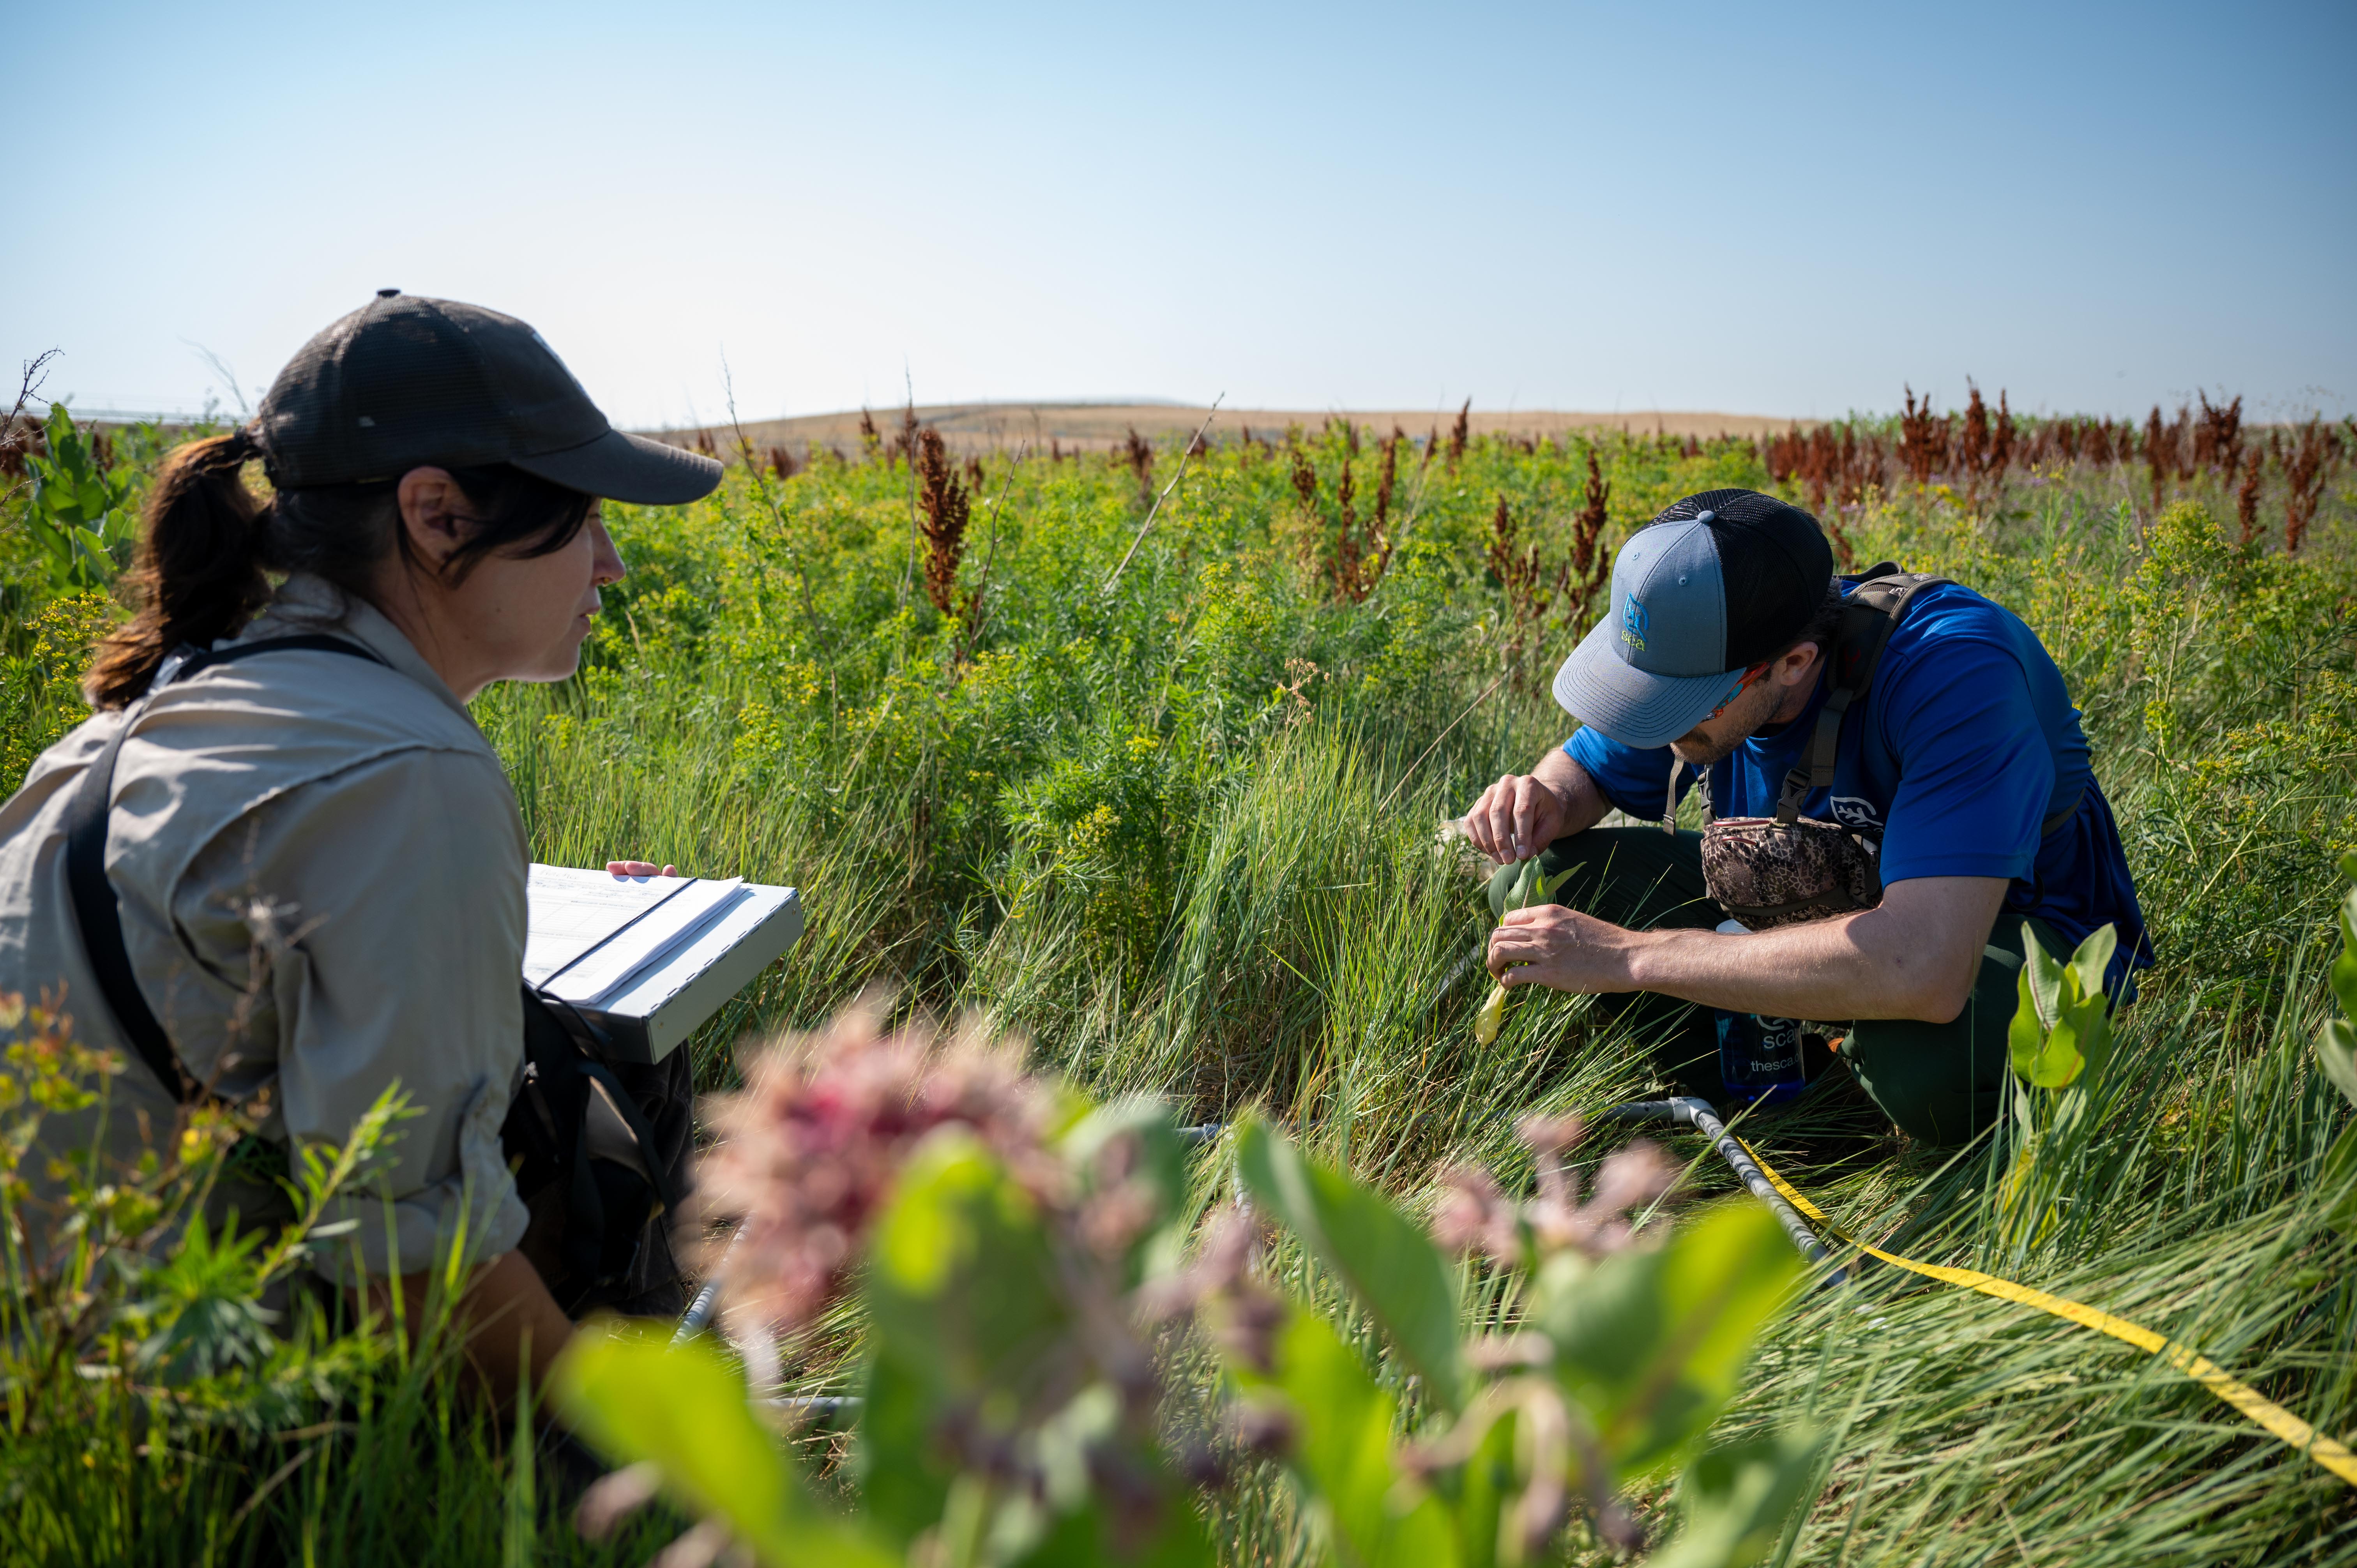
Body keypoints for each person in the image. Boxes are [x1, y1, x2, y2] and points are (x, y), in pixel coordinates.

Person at [0, 291, 721, 1400]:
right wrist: (669, 1436)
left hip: (60, 1367)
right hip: (190, 1418)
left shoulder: (174, 698)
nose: (611, 564)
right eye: (581, 518)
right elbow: (422, 1280)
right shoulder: (412, 777)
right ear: (437, 515)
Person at [1463, 488, 2151, 1145]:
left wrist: (1629, 958)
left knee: (1924, 1070)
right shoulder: (1704, 640)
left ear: (1794, 663)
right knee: (1539, 884)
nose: (1657, 723)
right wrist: (1546, 796)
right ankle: (1786, 1105)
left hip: (1997, 925)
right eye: (1646, 694)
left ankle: (1875, 1099)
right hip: (1813, 894)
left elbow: (1926, 965)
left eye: (1681, 705)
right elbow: (1586, 768)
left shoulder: (1956, 672)